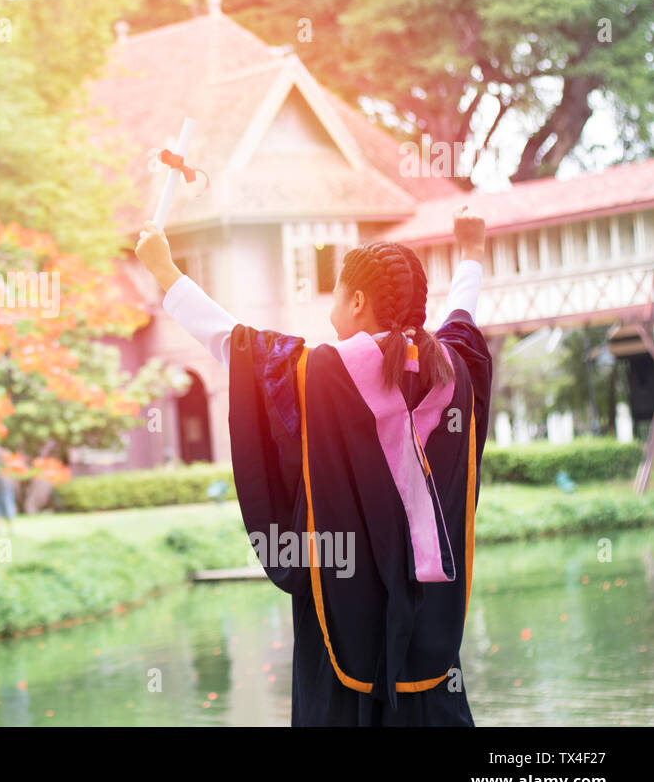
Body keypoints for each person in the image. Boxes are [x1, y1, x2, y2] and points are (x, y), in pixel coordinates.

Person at [135, 208, 492, 726]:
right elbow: (463, 320)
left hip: (339, 631)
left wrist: (166, 273)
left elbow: (234, 345)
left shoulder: (320, 375)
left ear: (357, 300)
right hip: (430, 638)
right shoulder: (454, 371)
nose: (331, 315)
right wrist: (472, 253)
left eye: (335, 298)